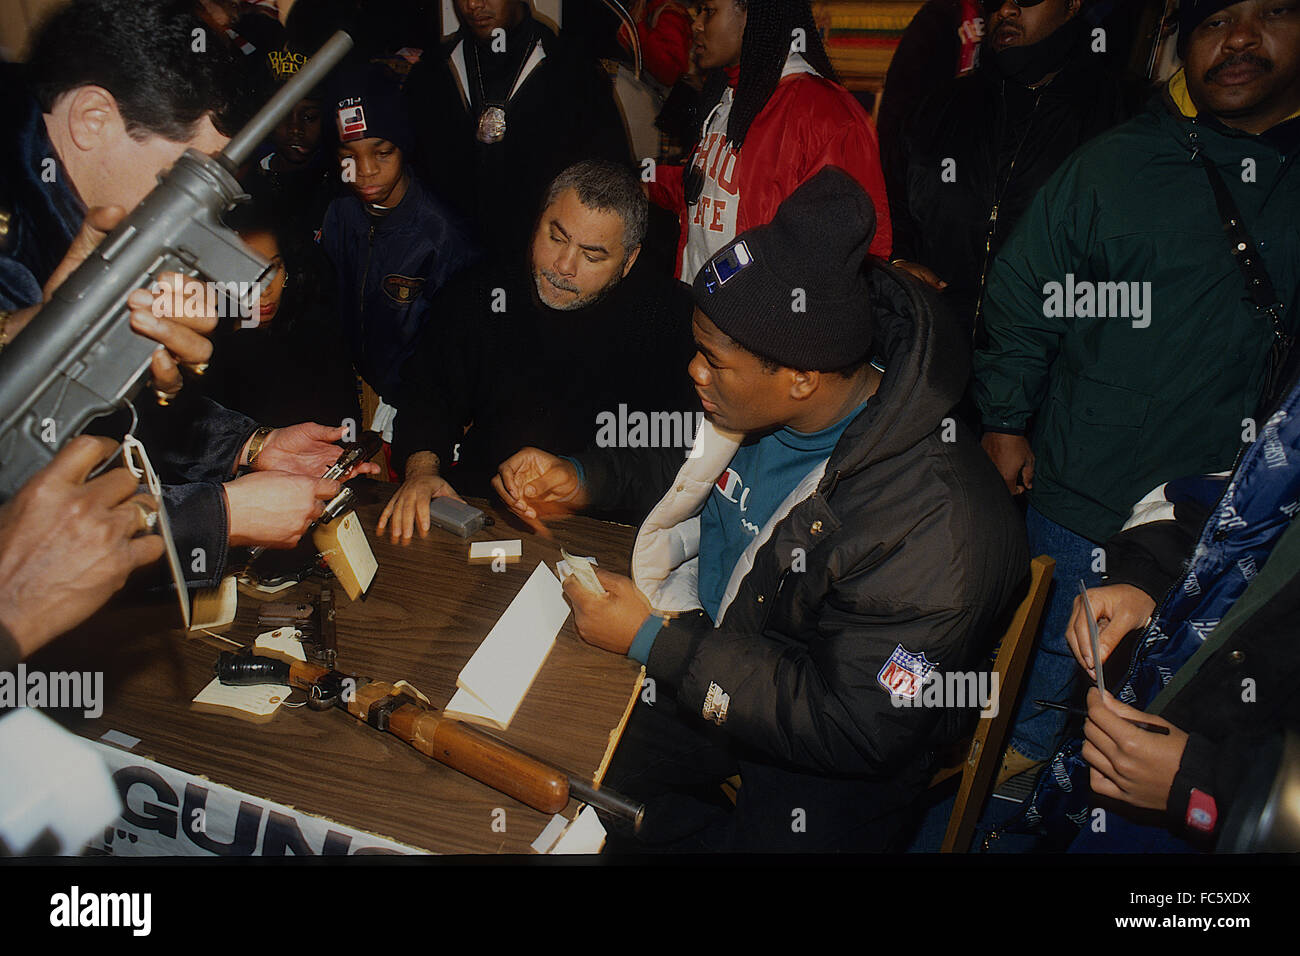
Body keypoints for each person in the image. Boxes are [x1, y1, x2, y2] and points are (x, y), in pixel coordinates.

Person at [492, 169, 1028, 851]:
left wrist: (655, 643)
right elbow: (684, 466)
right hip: (719, 646)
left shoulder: (940, 532)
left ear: (800, 379)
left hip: (832, 738)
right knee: (550, 749)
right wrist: (584, 477)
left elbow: (854, 722)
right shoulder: (760, 396)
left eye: (714, 362)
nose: (694, 372)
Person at [971, 0, 1300, 785]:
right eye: (1216, 19)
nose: (1240, 39)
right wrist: (1007, 419)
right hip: (1092, 499)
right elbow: (1024, 293)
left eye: (1274, 11)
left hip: (1248, 530)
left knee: (1184, 715)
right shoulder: (1117, 164)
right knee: (1043, 716)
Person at [0, 0, 374, 590]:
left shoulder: (66, 201)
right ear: (92, 120)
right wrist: (221, 516)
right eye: (173, 181)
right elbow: (29, 534)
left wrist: (248, 445)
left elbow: (83, 418)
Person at [378, 160, 695, 540]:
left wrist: (582, 477)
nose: (563, 266)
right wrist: (423, 472)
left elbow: (682, 456)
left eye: (592, 256)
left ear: (628, 261)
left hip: (612, 528)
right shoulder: (486, 292)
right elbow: (430, 393)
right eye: (556, 237)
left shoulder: (672, 320)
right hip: (485, 511)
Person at [883, 0, 1137, 337]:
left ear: (1072, 5)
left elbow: (1137, 264)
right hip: (939, 363)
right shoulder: (938, 111)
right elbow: (892, 210)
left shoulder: (1124, 120)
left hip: (1056, 371)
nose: (1005, 9)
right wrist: (898, 265)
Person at [650, 0, 893, 283]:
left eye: (709, 10)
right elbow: (707, 190)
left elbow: (858, 246)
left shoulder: (824, 113)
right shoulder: (728, 97)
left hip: (764, 323)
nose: (696, 24)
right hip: (700, 314)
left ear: (752, 15)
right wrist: (643, 182)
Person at [401, 0, 633, 260]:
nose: (473, 4)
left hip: (546, 271)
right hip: (452, 271)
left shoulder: (574, 74)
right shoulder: (431, 73)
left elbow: (613, 185)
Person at [320, 61, 480, 411]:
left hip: (418, 406)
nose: (365, 171)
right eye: (349, 156)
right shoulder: (338, 214)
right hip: (356, 390)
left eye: (382, 153)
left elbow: (455, 352)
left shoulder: (442, 237)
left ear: (403, 147)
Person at [200, 195, 363, 430]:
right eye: (245, 271)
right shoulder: (197, 352)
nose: (265, 288)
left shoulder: (316, 335)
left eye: (272, 267)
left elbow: (345, 428)